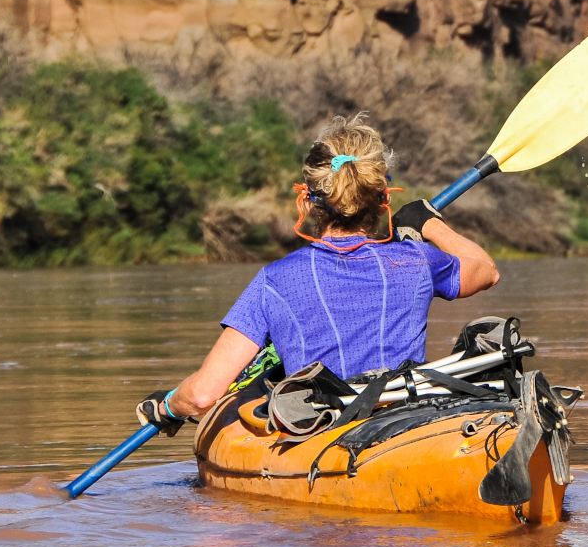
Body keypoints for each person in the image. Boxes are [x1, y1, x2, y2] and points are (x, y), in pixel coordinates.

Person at [141, 116, 500, 428]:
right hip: (405, 421)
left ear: (308, 201)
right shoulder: (417, 260)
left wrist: (166, 405)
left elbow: (203, 396)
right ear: (383, 198)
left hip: (320, 430)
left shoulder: (275, 280)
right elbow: (487, 271)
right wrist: (430, 225)